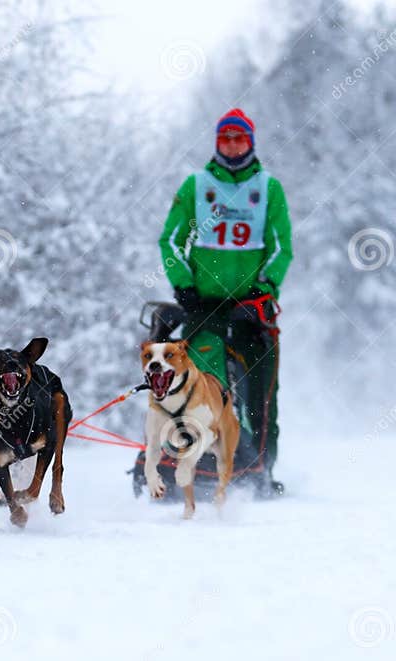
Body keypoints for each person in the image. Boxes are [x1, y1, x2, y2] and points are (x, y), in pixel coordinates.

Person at [158, 108, 292, 495]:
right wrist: (184, 286)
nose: (232, 145)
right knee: (199, 384)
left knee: (260, 390)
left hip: (251, 307)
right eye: (226, 138)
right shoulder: (196, 185)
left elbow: (282, 248)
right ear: (218, 142)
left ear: (250, 142)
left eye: (239, 138)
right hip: (204, 306)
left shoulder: (268, 188)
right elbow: (169, 240)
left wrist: (266, 288)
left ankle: (260, 468)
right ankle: (191, 459)